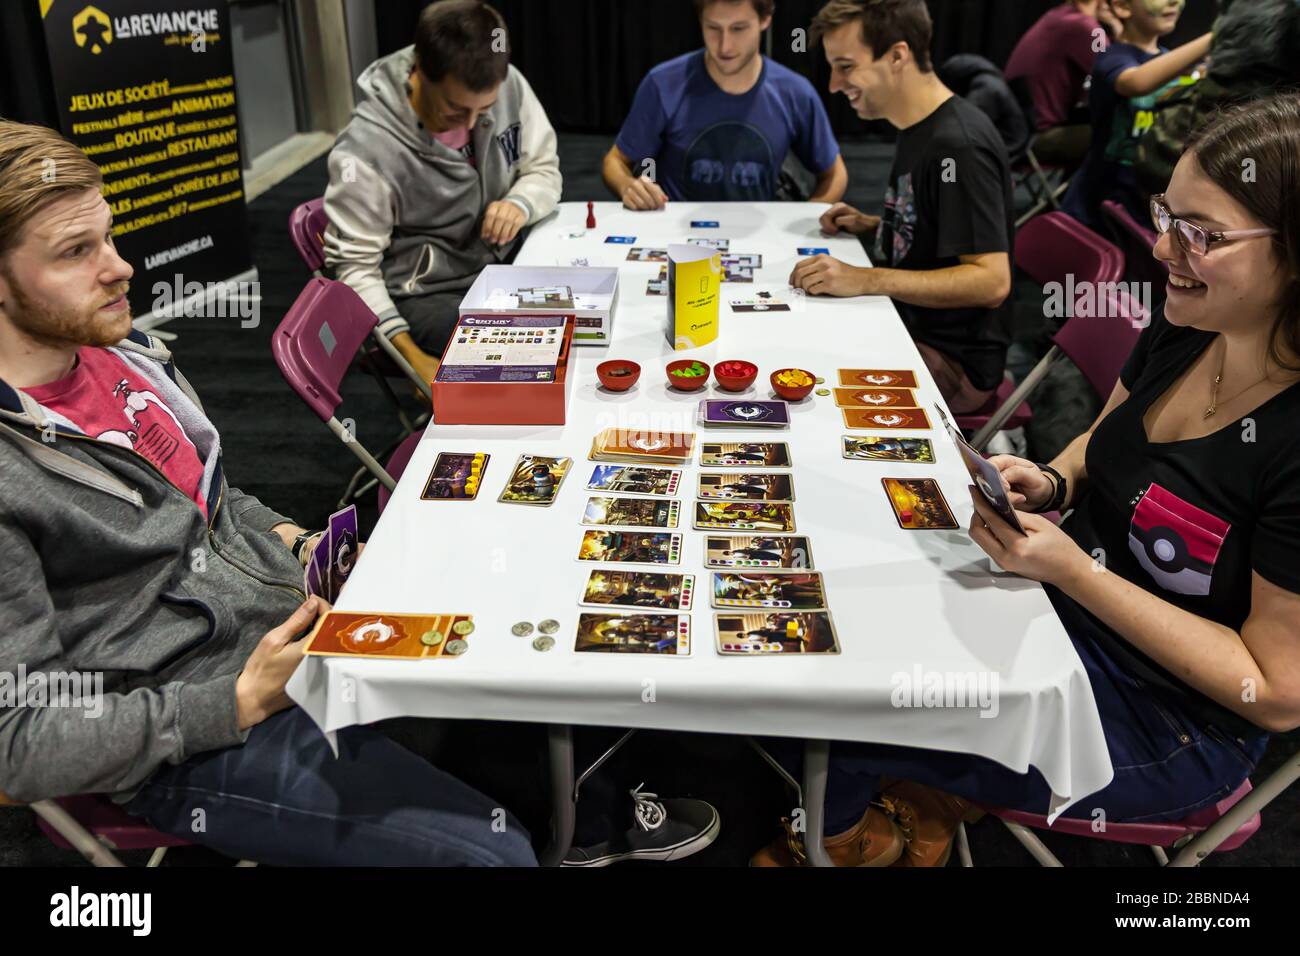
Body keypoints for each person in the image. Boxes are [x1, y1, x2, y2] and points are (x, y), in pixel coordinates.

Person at [756, 93, 1300, 867]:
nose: (1163, 248)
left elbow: (1275, 691)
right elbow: (1097, 443)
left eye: (1202, 234)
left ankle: (845, 840)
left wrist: (1074, 571)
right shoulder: (1187, 325)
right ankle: (914, 800)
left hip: (1175, 725)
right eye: (1165, 216)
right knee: (851, 602)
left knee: (854, 697)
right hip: (1064, 620)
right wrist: (1051, 482)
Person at [0, 120, 536, 866]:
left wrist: (299, 541)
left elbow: (211, 499)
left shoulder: (122, 357)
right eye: (75, 253)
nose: (120, 268)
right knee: (496, 856)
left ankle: (596, 818)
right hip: (193, 727)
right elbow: (16, 743)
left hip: (288, 624)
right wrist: (238, 700)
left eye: (110, 238)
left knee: (530, 636)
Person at [790, 0, 1015, 415]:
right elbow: (939, 233)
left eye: (846, 67)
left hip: (953, 363)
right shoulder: (918, 126)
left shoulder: (959, 146)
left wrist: (866, 279)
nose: (835, 85)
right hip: (909, 325)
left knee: (803, 379)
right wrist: (876, 225)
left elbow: (992, 281)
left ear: (897, 55)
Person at [324, 0, 562, 384]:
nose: (472, 123)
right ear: (419, 72)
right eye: (455, 110)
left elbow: (543, 169)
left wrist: (520, 202)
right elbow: (355, 269)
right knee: (529, 354)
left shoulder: (509, 84)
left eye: (485, 109)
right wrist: (410, 356)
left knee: (582, 325)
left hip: (505, 262)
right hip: (427, 292)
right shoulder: (365, 153)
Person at [602, 0, 847, 209]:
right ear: (700, 21)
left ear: (765, 20)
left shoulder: (794, 92)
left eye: (738, 29)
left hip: (759, 236)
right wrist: (628, 186)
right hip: (676, 239)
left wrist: (806, 219)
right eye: (713, 28)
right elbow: (616, 161)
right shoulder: (663, 83)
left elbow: (834, 173)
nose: (724, 45)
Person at [1061, 0, 1212, 228]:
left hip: (1141, 199)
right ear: (1122, 6)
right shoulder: (1111, 57)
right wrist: (1217, 36)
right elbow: (1136, 83)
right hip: (1100, 203)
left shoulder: (1168, 60)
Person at [1004, 1, 1121, 168]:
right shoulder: (1084, 26)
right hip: (1040, 137)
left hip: (1023, 132)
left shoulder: (1058, 15)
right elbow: (1118, 76)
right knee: (1127, 134)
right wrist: (1119, 29)